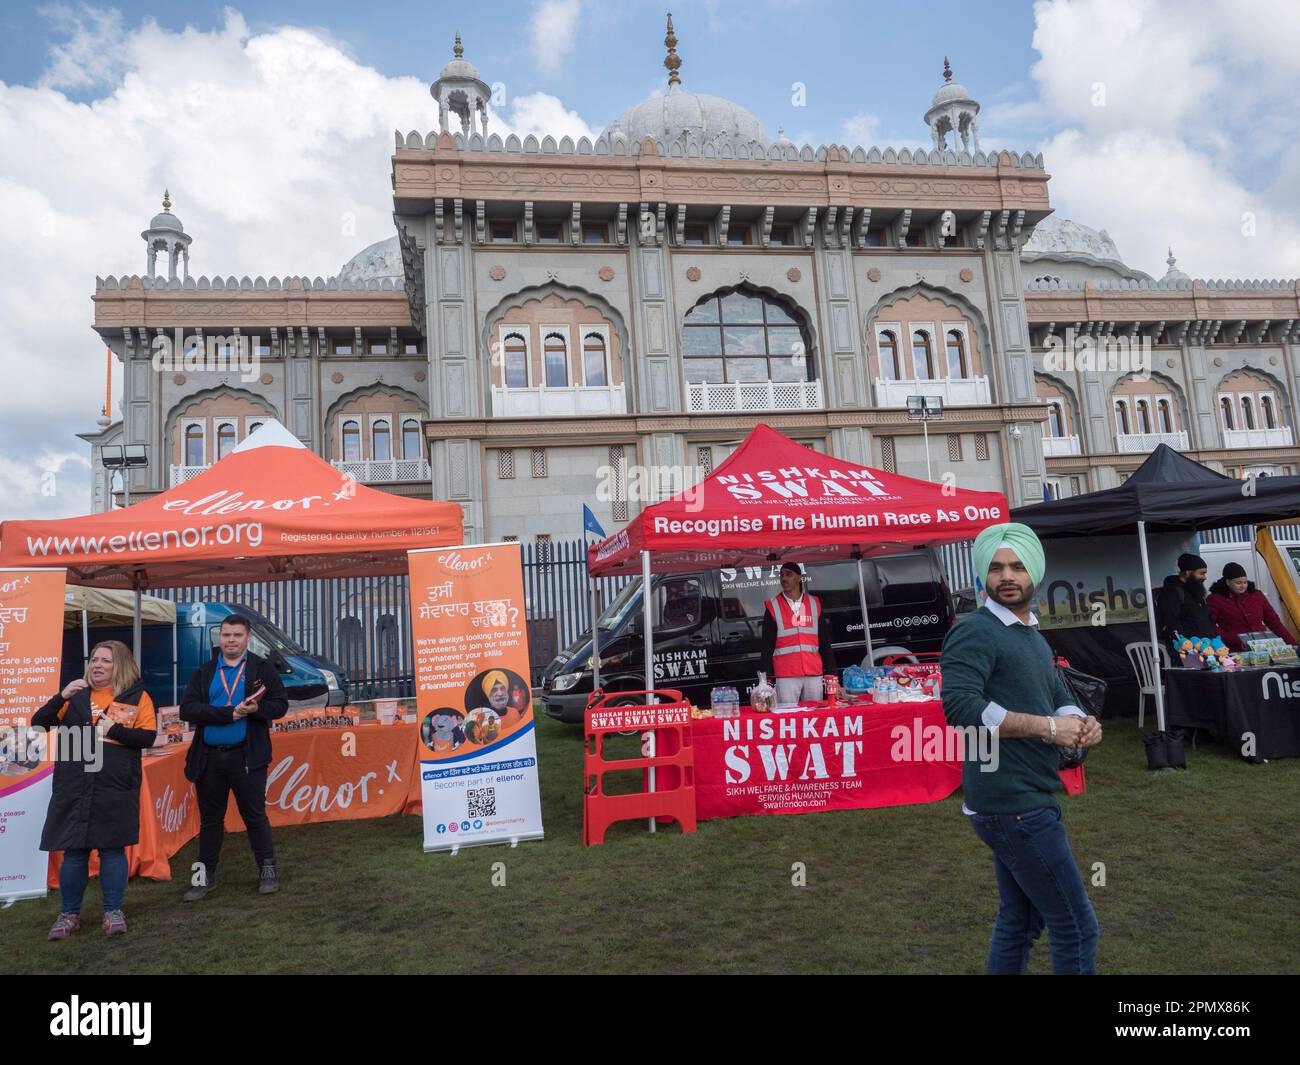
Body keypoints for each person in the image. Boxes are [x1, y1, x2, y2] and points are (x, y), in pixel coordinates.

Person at [941, 522, 1103, 975]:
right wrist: (1050, 729)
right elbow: (960, 706)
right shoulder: (976, 629)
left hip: (1021, 798)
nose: (1006, 576)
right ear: (983, 577)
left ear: (1035, 572)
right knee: (1075, 926)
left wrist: (1082, 722)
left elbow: (1055, 693)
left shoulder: (1031, 632)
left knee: (1021, 920)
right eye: (995, 568)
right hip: (1012, 803)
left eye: (1015, 566)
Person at [34, 640, 156, 939]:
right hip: (75, 783)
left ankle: (113, 911)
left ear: (121, 666)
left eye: (105, 661)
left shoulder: (137, 697)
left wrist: (111, 729)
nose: (97, 665)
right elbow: (39, 723)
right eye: (94, 660)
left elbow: (147, 738)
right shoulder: (75, 696)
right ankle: (68, 915)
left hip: (113, 784)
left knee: (112, 849)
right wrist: (59, 696)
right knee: (74, 851)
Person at [179, 615, 288, 900]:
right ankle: (202, 878)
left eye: (237, 635)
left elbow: (280, 706)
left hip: (247, 758)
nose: (230, 640)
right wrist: (228, 714)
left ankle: (268, 870)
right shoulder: (204, 671)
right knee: (210, 821)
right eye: (226, 635)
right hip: (209, 759)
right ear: (220, 637)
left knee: (255, 816)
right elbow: (188, 710)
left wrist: (256, 712)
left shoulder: (261, 669)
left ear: (247, 637)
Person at [760, 563, 837, 706]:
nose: (784, 578)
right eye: (781, 575)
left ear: (799, 578)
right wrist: (765, 679)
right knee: (788, 718)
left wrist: (832, 673)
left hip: (813, 672)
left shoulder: (814, 603)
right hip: (786, 674)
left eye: (789, 574)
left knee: (815, 715)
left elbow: (825, 642)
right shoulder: (773, 605)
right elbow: (766, 645)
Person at [1208, 561, 1297, 652]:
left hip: (1262, 646)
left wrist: (1292, 644)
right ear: (1228, 582)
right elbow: (1210, 625)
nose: (1242, 586)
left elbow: (1274, 622)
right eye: (1238, 583)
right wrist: (1231, 637)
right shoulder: (1215, 599)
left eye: (1245, 582)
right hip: (1235, 649)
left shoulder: (1257, 595)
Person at [1155, 552, 1214, 644]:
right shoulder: (1172, 592)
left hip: (1206, 645)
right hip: (1186, 648)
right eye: (1201, 573)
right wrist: (1185, 644)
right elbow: (1171, 621)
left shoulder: (1196, 590)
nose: (1205, 577)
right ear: (1188, 572)